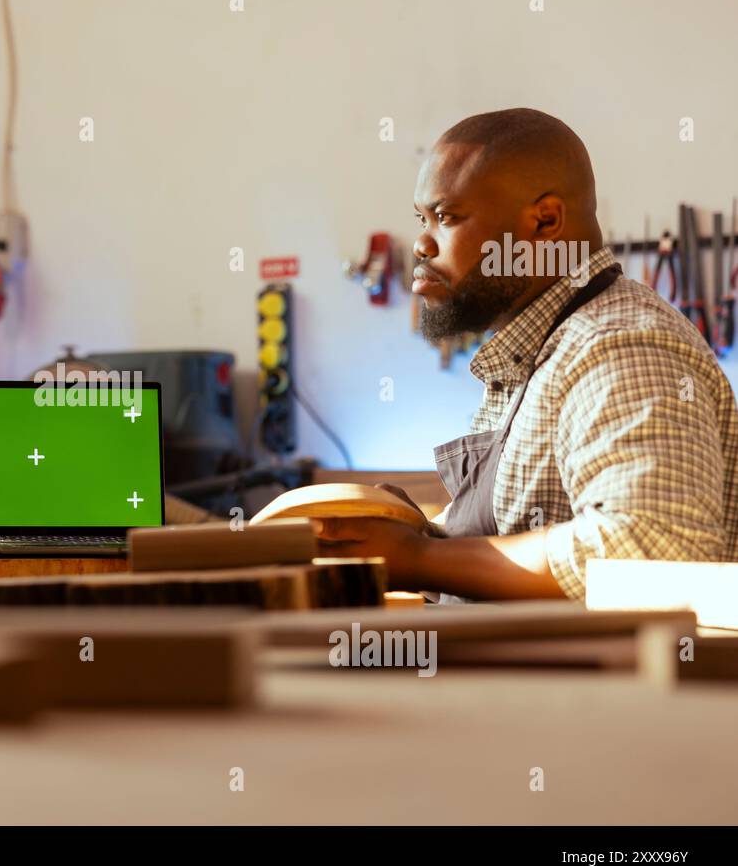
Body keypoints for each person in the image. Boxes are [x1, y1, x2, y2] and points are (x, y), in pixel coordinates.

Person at [316, 108, 738, 600]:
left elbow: (652, 552)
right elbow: (516, 541)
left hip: (602, 679)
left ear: (544, 222)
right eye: (421, 220)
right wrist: (421, 533)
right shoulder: (539, 355)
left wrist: (419, 558)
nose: (422, 246)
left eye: (448, 217)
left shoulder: (617, 345)